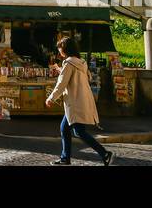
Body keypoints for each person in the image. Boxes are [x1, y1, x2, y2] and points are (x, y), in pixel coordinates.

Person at [46, 36, 115, 166]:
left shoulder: (68, 63)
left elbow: (61, 84)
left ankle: (104, 154)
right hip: (82, 99)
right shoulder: (80, 62)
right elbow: (77, 76)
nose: (59, 50)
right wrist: (61, 70)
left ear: (65, 49)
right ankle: (65, 159)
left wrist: (51, 98)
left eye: (60, 47)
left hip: (75, 102)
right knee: (64, 128)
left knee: (78, 132)